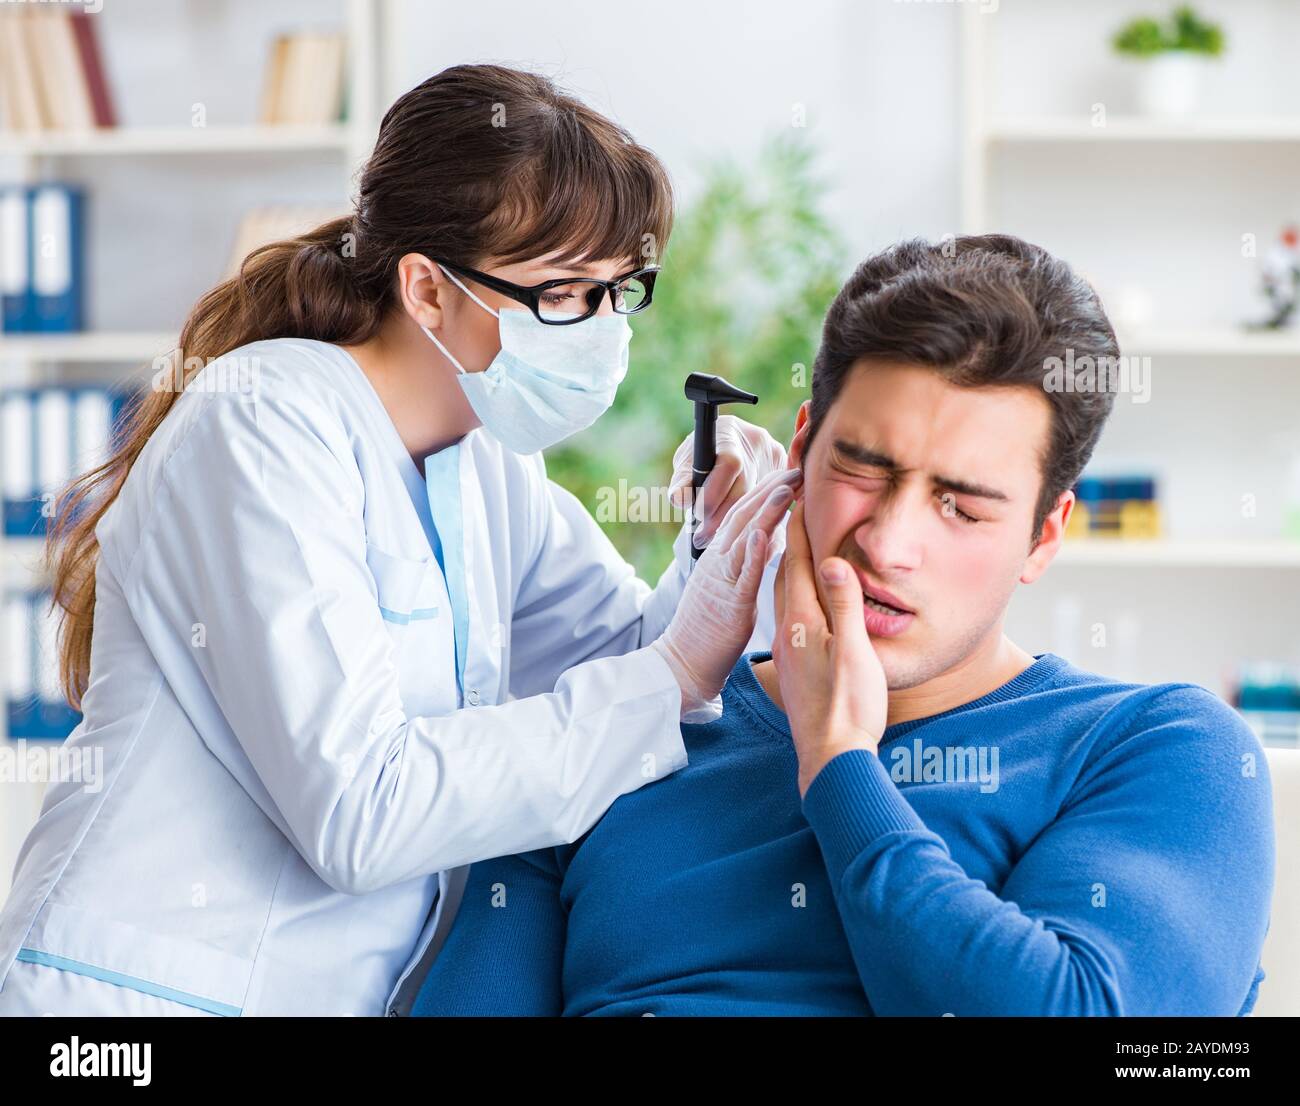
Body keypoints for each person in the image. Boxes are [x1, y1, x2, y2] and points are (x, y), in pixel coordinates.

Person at [0, 65, 795, 1017]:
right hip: (133, 1001)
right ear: (426, 288)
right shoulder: (265, 424)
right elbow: (361, 812)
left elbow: (627, 666)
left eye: (619, 292)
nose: (600, 332)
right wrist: (674, 672)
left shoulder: (489, 459)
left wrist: (714, 552)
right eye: (564, 295)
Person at [412, 235, 1275, 1017]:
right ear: (800, 452)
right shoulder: (616, 727)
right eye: (863, 470)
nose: (889, 545)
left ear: (1043, 537)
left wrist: (838, 764)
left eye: (962, 507)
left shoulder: (1161, 747)